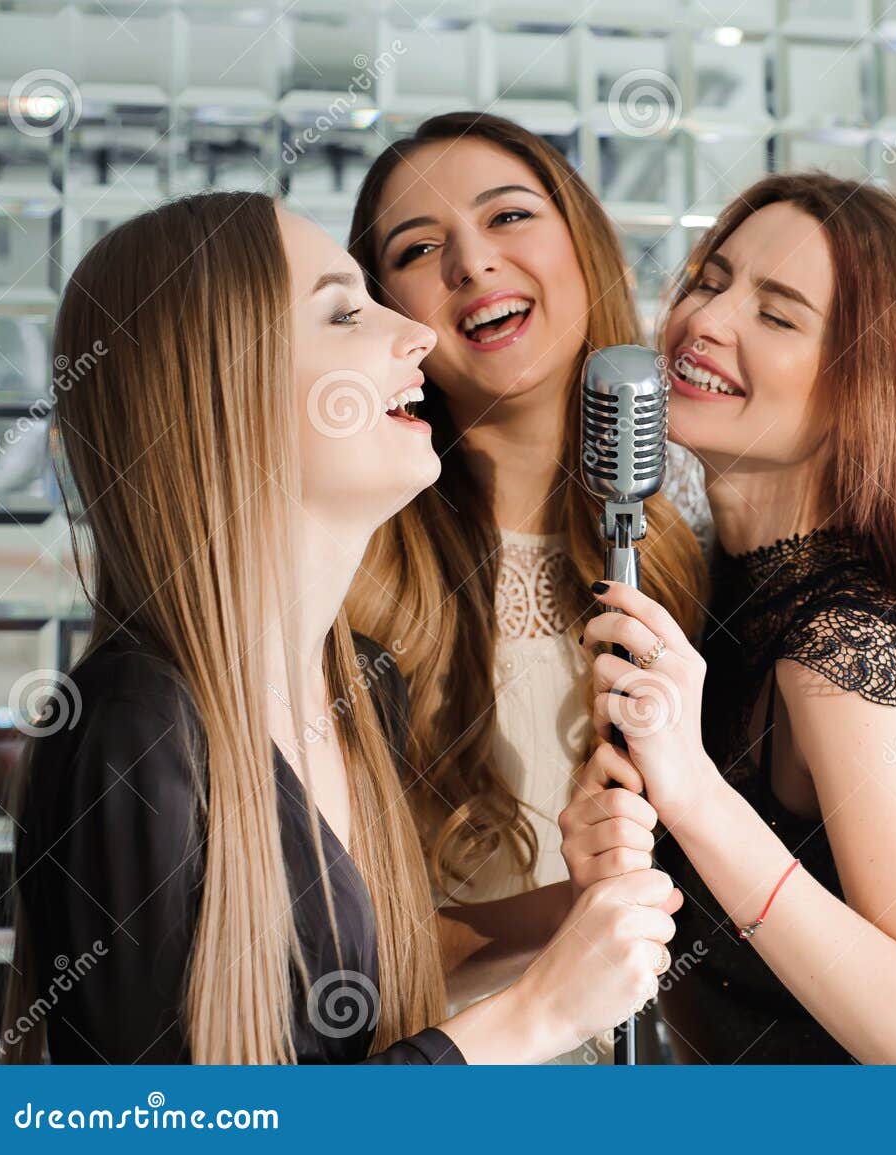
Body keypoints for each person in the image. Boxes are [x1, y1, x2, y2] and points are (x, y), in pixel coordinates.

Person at [0, 191, 678, 1064]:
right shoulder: (132, 728)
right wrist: (536, 1015)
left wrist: (570, 915)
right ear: (226, 388)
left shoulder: (361, 681)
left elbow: (339, 992)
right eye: (346, 312)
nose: (417, 334)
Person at [559, 172, 896, 1063]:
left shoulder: (834, 641)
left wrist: (689, 791)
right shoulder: (729, 598)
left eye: (777, 314)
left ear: (863, 390)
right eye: (711, 278)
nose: (706, 322)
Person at [341, 114, 708, 1046]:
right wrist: (576, 914)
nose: (472, 263)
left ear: (582, 244)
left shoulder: (689, 567)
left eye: (508, 217)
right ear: (390, 315)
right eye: (420, 248)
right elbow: (318, 950)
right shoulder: (352, 585)